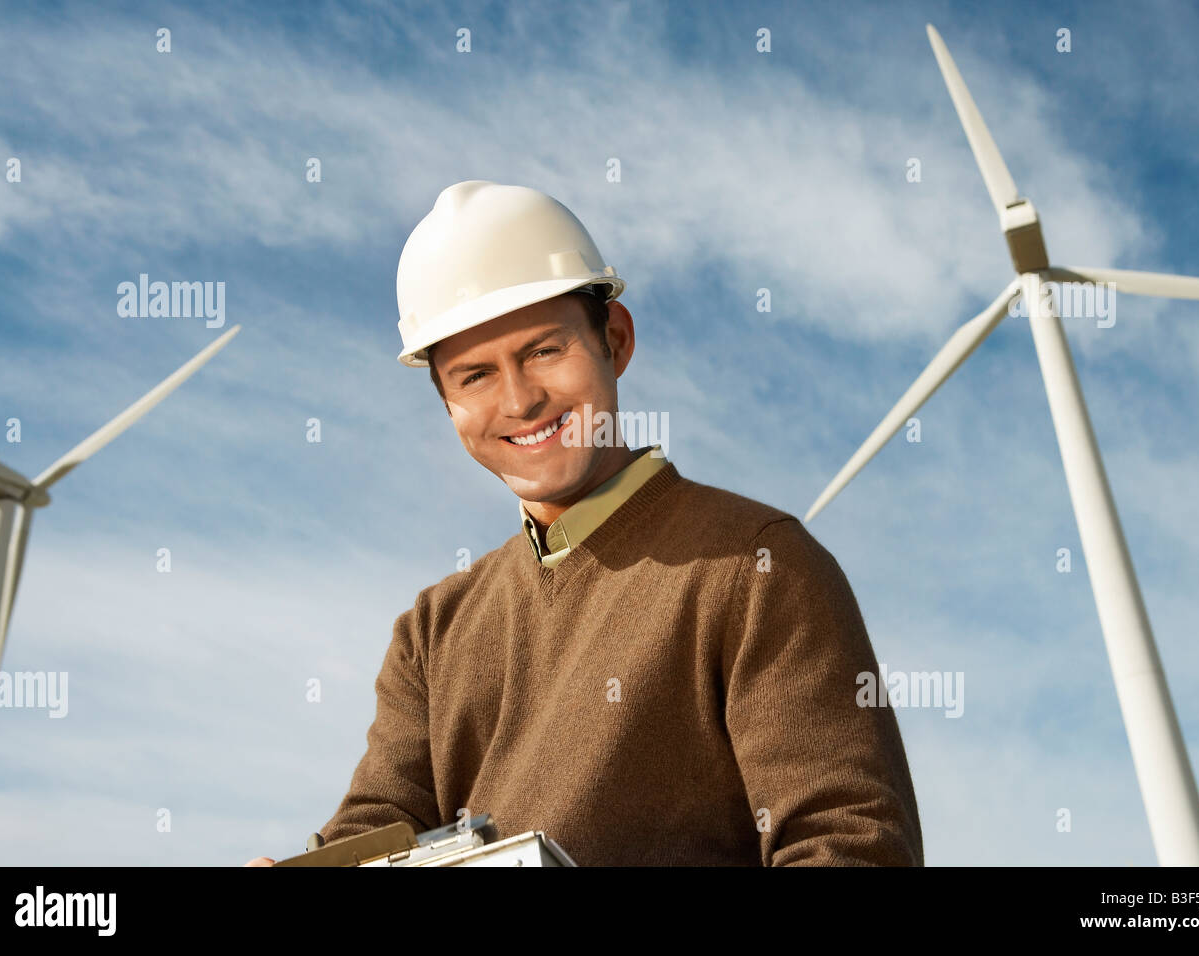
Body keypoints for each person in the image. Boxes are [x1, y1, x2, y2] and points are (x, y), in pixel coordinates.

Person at [245, 180, 923, 866]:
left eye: (544, 350)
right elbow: (379, 827)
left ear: (616, 340)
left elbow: (847, 843)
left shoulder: (755, 566)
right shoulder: (432, 631)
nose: (520, 399)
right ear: (447, 404)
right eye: (474, 376)